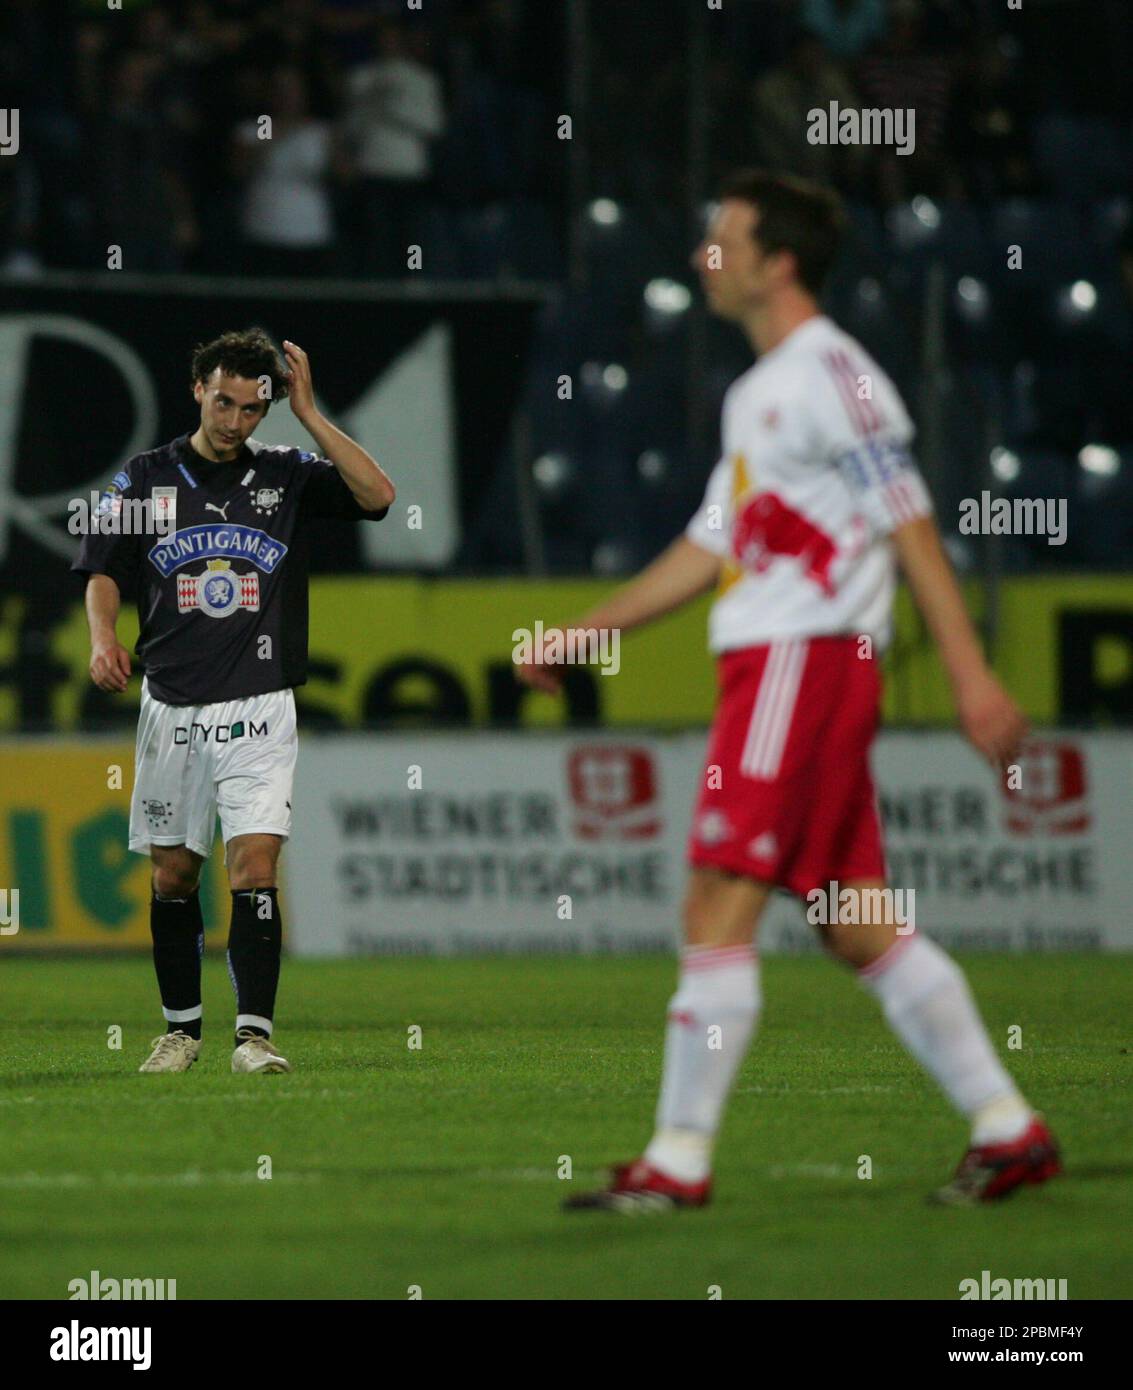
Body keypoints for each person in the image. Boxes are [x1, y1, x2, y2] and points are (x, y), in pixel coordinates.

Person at [516, 171, 1061, 1209]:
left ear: (777, 262)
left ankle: (676, 1160)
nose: (699, 258)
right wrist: (586, 632)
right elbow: (709, 544)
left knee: (715, 891)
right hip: (778, 663)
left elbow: (909, 525)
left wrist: (967, 671)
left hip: (800, 662)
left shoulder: (833, 375)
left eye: (719, 240)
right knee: (852, 915)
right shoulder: (756, 390)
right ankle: (1007, 1128)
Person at [71, 327, 395, 1075]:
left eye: (253, 409)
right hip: (171, 704)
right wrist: (100, 638)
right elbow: (101, 570)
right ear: (196, 390)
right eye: (223, 402)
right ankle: (181, 1031)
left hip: (259, 706)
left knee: (253, 865)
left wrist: (311, 416)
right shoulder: (145, 480)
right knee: (173, 876)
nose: (235, 421)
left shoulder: (285, 474)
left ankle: (253, 1038)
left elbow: (378, 496)